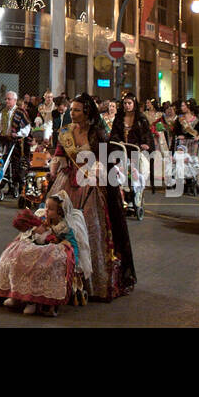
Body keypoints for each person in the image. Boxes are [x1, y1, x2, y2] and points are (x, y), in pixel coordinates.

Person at [48, 93, 135, 300]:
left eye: (76, 110)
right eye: (71, 109)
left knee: (90, 229)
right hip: (67, 181)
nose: (72, 113)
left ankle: (90, 281)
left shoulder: (98, 133)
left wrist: (96, 169)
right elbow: (60, 154)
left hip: (90, 186)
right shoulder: (66, 131)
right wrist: (54, 164)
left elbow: (105, 160)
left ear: (87, 113)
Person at [0, 191, 87, 315]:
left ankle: (32, 302)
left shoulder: (64, 227)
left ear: (59, 212)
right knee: (17, 257)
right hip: (36, 248)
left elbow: (72, 246)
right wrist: (35, 232)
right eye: (46, 207)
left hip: (49, 251)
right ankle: (16, 295)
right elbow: (29, 235)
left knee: (37, 267)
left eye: (51, 209)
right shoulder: (42, 220)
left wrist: (64, 247)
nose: (47, 211)